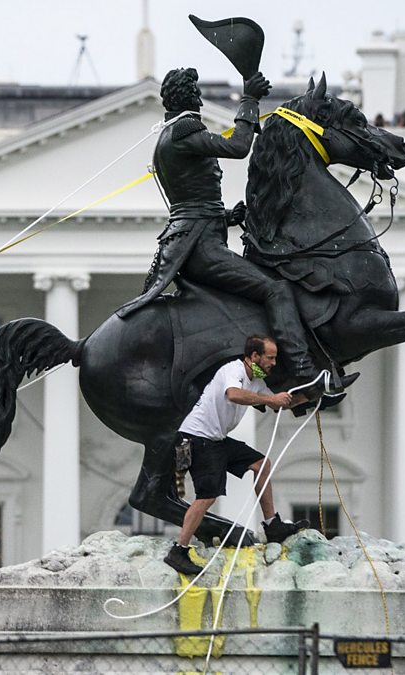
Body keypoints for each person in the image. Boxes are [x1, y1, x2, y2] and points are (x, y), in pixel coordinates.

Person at [116, 66, 323, 392]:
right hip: (201, 249)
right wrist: (249, 98)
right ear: (188, 97)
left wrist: (227, 216)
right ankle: (304, 374)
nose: (200, 98)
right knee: (276, 290)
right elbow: (238, 147)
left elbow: (190, 202)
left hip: (195, 239)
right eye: (196, 93)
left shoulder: (171, 135)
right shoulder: (183, 129)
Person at [163, 335, 309, 575]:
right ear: (254, 356)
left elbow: (280, 404)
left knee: (262, 464)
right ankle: (178, 550)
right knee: (207, 496)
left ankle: (273, 525)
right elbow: (234, 394)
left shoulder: (256, 381)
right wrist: (271, 398)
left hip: (216, 439)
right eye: (270, 357)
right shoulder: (233, 370)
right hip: (197, 438)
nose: (273, 363)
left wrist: (315, 395)